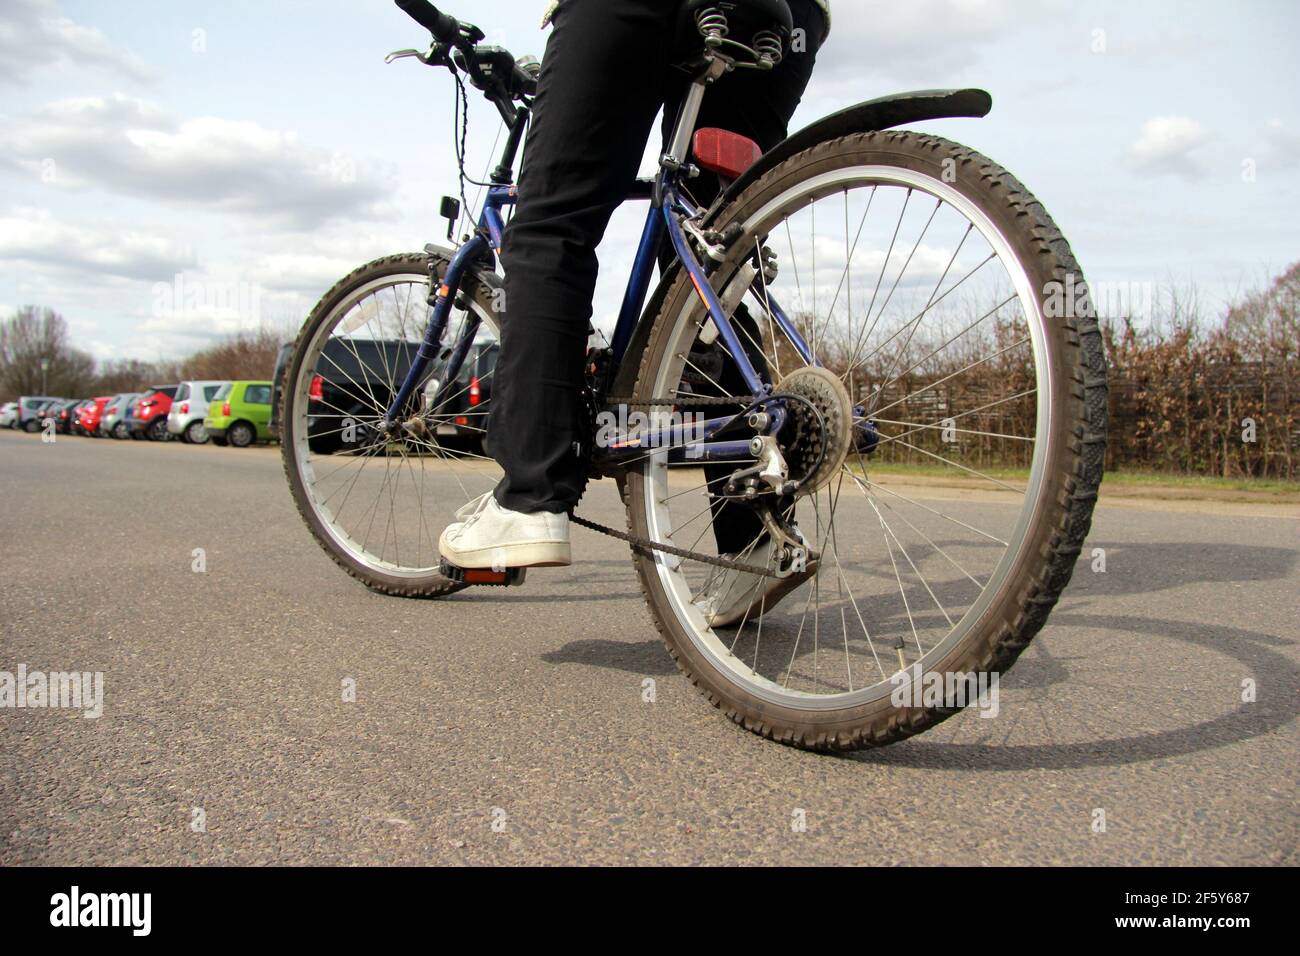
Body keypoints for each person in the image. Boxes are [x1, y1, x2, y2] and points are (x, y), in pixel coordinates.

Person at [440, 0, 830, 620]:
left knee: (550, 225)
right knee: (709, 263)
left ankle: (529, 498)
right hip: (784, 16)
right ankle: (754, 542)